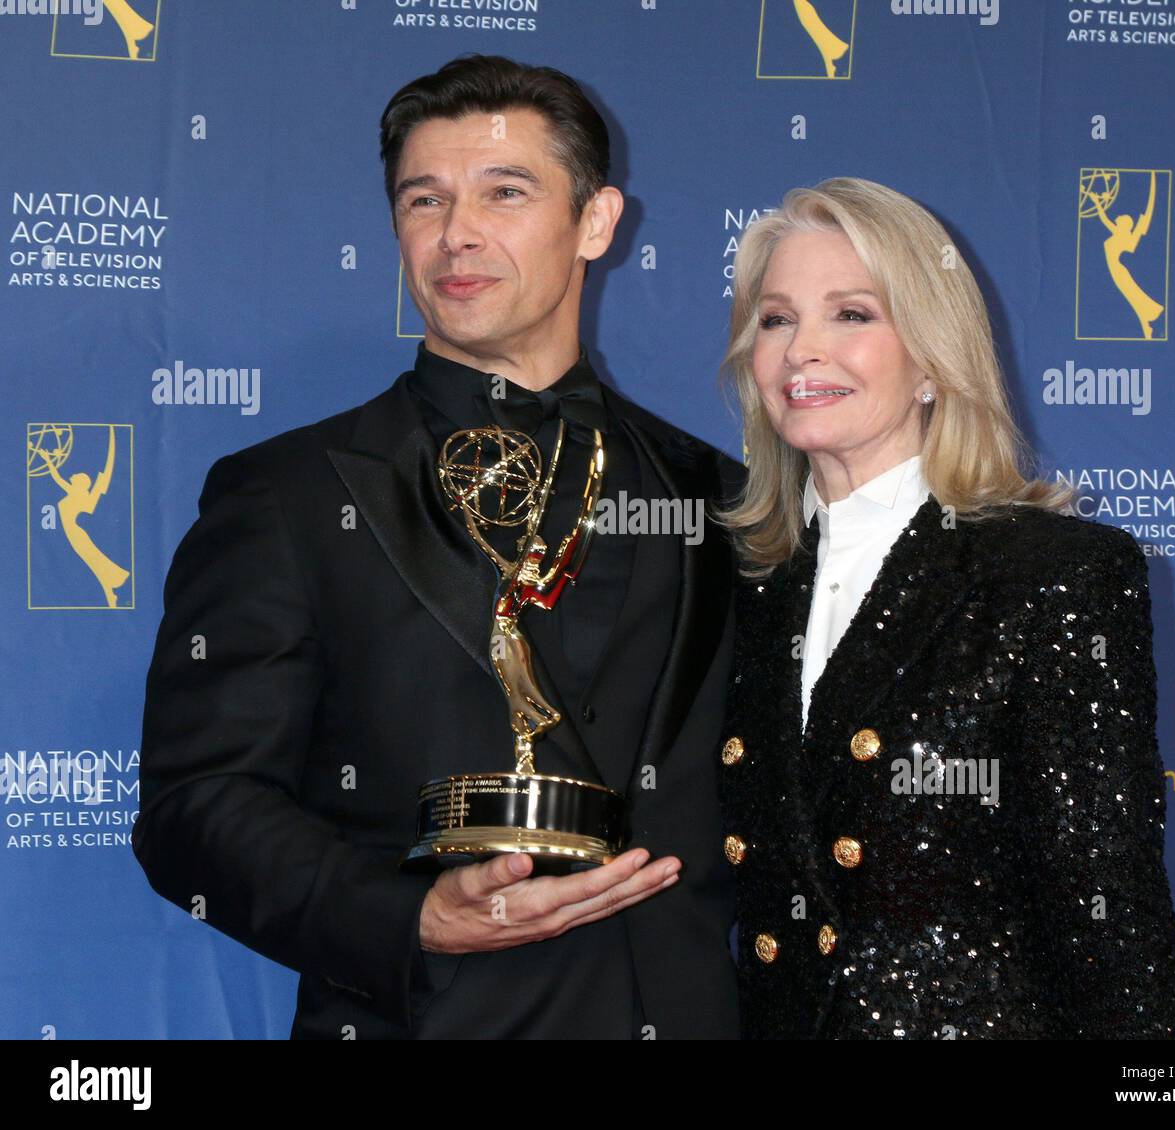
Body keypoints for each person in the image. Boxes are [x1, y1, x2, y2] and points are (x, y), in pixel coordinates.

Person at [132, 54, 743, 1040]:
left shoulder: (719, 495)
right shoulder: (288, 495)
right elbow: (195, 807)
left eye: (505, 192)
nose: (458, 232)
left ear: (595, 222)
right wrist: (410, 919)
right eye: (425, 199)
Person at [714, 177, 1175, 1039]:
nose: (802, 350)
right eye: (776, 319)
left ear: (933, 360)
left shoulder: (1053, 574)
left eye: (851, 315)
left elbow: (1110, 919)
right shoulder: (743, 586)